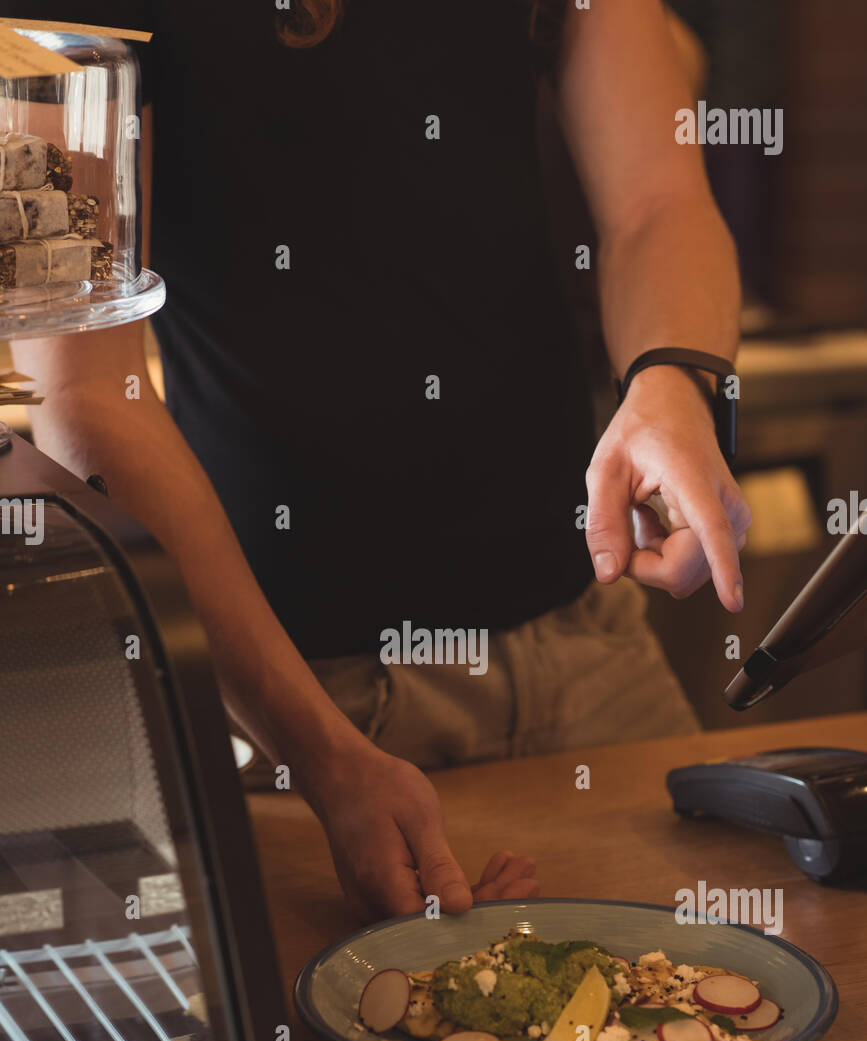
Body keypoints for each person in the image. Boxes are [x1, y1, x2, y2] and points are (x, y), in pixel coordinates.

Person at [15, 0, 750, 922]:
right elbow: (81, 388)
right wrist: (320, 758)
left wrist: (671, 381)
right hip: (300, 702)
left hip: (590, 647)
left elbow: (658, 203)